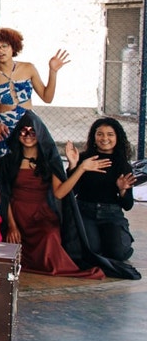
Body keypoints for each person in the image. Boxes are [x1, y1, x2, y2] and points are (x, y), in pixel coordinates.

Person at [0, 112, 102, 278]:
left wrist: (80, 168)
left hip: (42, 215)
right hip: (17, 215)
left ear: (40, 134)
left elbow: (59, 193)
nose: (28, 136)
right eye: (24, 131)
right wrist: (12, 225)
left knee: (49, 237)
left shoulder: (49, 161)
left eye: (33, 132)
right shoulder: (7, 162)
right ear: (18, 134)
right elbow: (5, 195)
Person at [58, 117, 139, 277]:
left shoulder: (122, 164)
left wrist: (122, 190)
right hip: (85, 212)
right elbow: (72, 192)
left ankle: (119, 238)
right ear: (94, 137)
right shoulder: (84, 158)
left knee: (117, 254)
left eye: (110, 134)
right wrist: (74, 166)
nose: (105, 138)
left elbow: (128, 205)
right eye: (100, 134)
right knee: (91, 251)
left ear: (117, 137)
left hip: (111, 214)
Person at [0, 27, 69, 158]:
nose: (1, 51)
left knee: (33, 160)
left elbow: (47, 98)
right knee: (4, 164)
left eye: (5, 46)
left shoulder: (28, 68)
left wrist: (53, 71)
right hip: (3, 127)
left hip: (28, 123)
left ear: (13, 47)